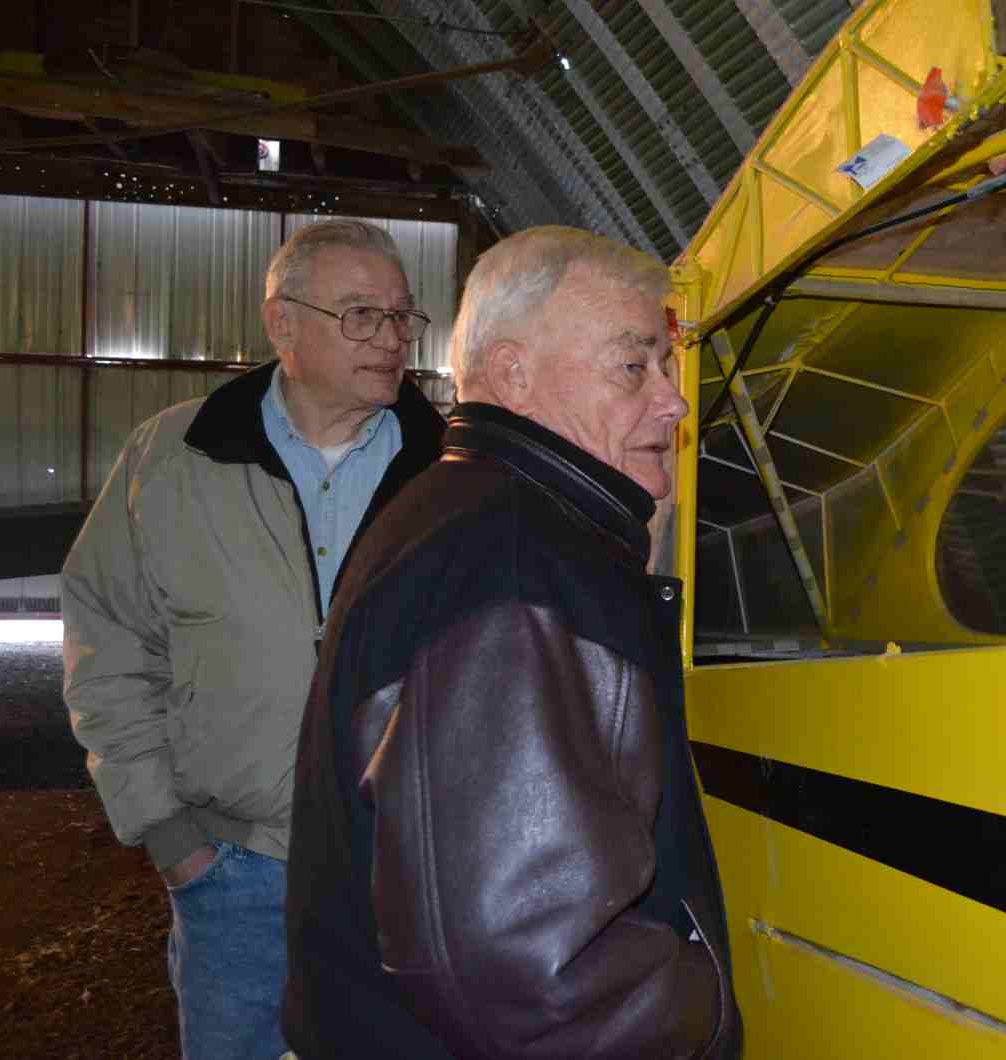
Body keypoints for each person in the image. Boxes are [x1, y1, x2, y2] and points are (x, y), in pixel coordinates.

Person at [282, 226, 741, 1059]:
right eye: (635, 366)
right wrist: (703, 1011)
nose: (673, 401)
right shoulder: (516, 565)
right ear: (512, 374)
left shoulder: (471, 516)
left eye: (666, 369)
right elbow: (531, 970)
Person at [61, 219, 447, 1059]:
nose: (389, 339)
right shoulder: (172, 457)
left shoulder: (447, 471)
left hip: (410, 878)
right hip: (235, 871)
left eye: (400, 317)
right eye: (359, 315)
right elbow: (108, 639)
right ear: (282, 324)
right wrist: (169, 836)